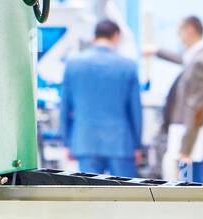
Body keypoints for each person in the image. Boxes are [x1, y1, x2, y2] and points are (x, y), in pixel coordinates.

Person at [60, 19, 143, 178]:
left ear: (95, 36)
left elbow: (65, 107)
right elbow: (135, 111)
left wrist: (67, 142)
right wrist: (137, 145)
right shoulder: (128, 66)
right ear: (116, 36)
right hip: (120, 143)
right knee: (126, 195)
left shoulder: (73, 64)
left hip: (85, 140)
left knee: (90, 197)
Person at [147, 16, 203, 182]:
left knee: (192, 189)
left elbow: (198, 108)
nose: (179, 38)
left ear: (190, 30)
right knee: (197, 185)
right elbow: (183, 59)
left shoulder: (200, 62)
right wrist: (157, 51)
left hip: (195, 141)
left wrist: (186, 148)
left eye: (179, 32)